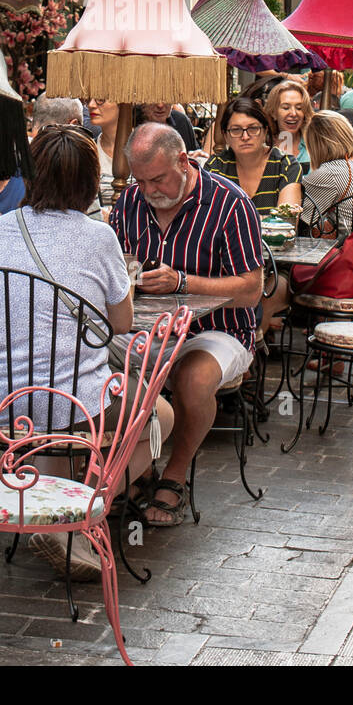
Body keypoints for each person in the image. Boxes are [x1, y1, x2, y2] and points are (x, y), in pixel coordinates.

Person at [0, 125, 172, 576]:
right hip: (69, 402)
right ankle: (74, 521)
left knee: (64, 410)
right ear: (87, 183)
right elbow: (120, 323)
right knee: (160, 414)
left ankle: (50, 506)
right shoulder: (98, 236)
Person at [111, 123, 263, 526]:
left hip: (217, 328)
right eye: (140, 181)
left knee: (192, 378)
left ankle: (174, 475)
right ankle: (138, 469)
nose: (149, 190)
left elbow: (251, 289)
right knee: (98, 365)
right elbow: (113, 270)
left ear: (183, 161)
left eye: (158, 179)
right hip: (144, 328)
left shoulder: (230, 203)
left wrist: (183, 281)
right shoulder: (128, 202)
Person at [205, 96, 301, 327]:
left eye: (253, 129)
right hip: (225, 265)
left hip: (275, 267)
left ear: (266, 130)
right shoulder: (215, 167)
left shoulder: (284, 164)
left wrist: (236, 224)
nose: (245, 136)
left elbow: (286, 223)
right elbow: (208, 222)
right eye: (236, 130)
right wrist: (261, 222)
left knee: (269, 293)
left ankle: (251, 338)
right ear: (226, 135)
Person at [263, 78, 313, 171]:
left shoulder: (314, 144)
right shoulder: (263, 145)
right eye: (286, 108)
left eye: (299, 108)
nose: (293, 113)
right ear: (273, 112)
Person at [88, 98, 120, 206]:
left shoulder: (147, 151)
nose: (91, 105)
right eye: (88, 99)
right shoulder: (87, 152)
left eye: (100, 99)